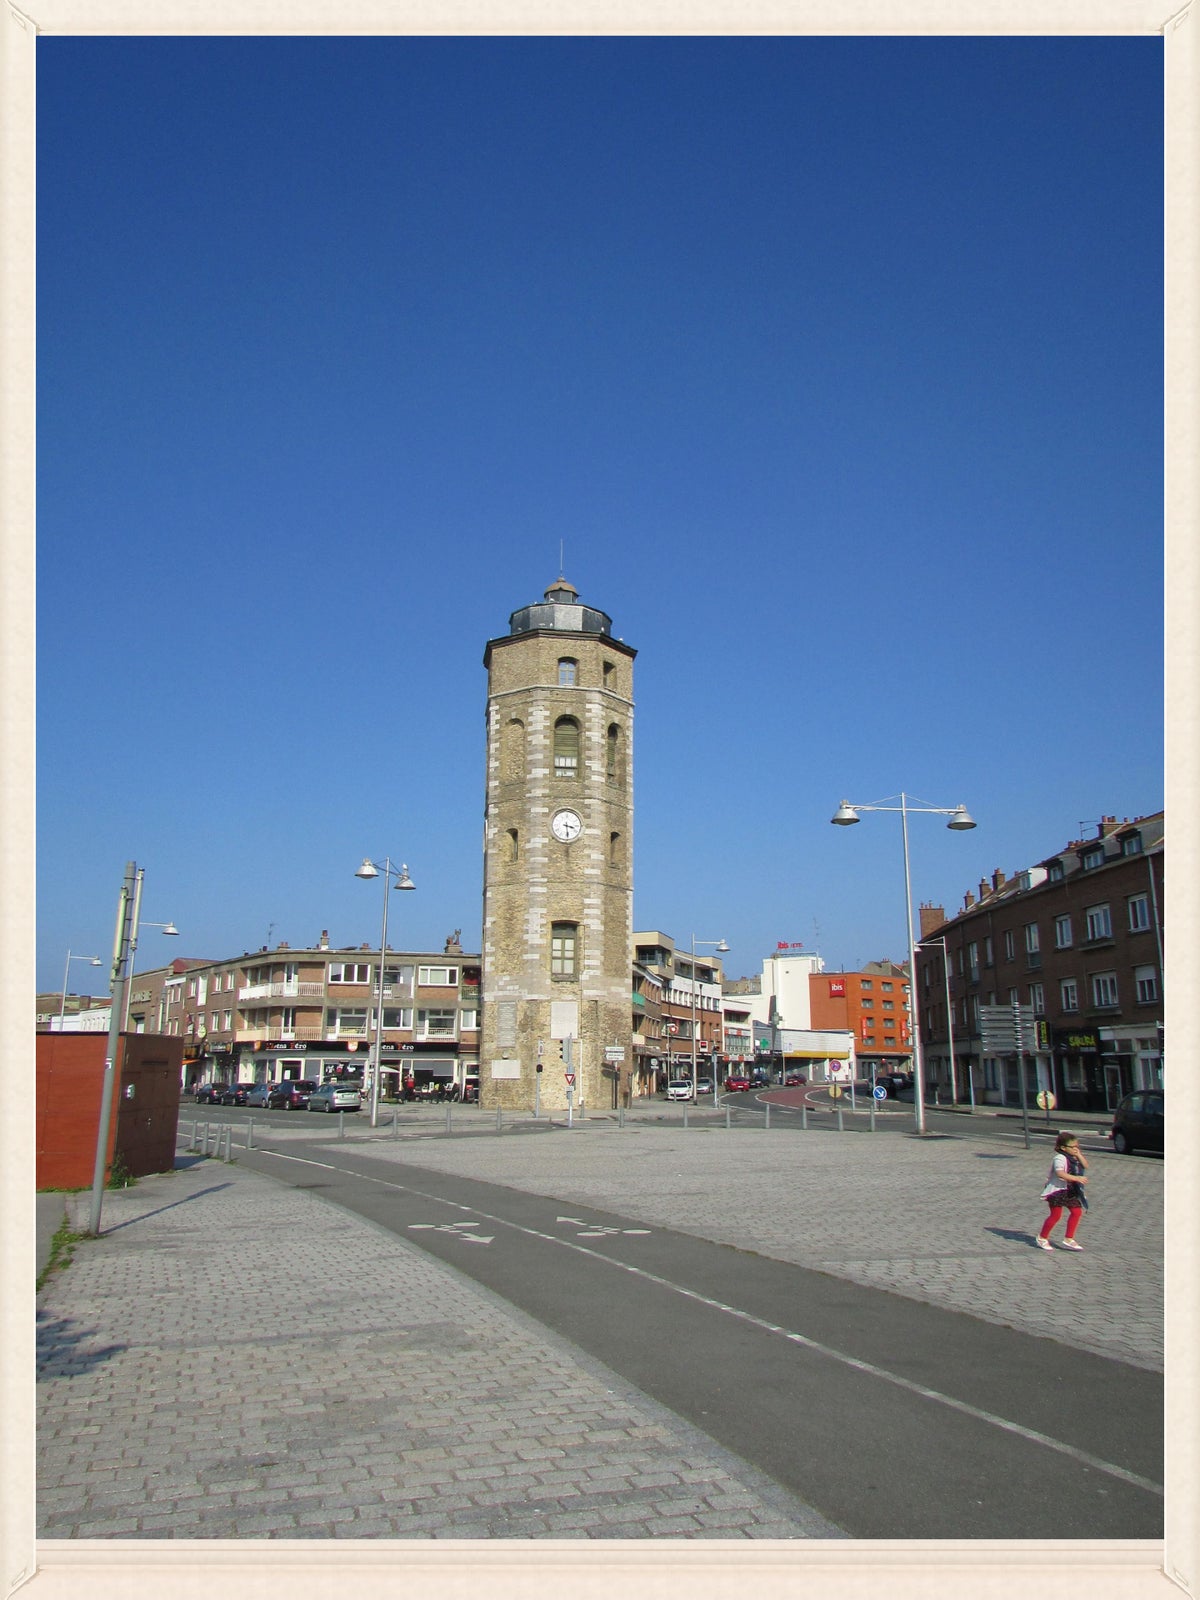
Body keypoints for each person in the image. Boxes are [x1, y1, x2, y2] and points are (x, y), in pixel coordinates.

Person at [1035, 1131, 1090, 1250]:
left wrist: (1079, 1155)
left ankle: (1069, 1239)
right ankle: (1042, 1237)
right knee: (1056, 1215)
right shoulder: (1059, 1158)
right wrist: (1077, 1178)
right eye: (1073, 1147)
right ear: (1063, 1148)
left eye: (1077, 1146)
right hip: (1057, 1190)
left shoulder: (1074, 1157)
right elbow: (1060, 1174)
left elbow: (1085, 1165)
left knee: (1076, 1212)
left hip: (1070, 1189)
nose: (1076, 1149)